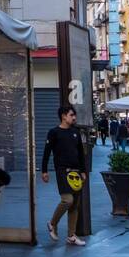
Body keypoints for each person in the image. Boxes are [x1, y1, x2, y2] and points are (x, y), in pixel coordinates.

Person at [42, 104, 88, 246]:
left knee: (75, 205)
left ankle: (71, 235)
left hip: (76, 172)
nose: (74, 118)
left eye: (74, 115)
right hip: (62, 171)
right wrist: (44, 171)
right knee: (67, 200)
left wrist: (83, 171)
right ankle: (52, 223)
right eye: (71, 115)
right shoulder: (54, 132)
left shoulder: (75, 132)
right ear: (63, 116)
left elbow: (81, 153)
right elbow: (47, 152)